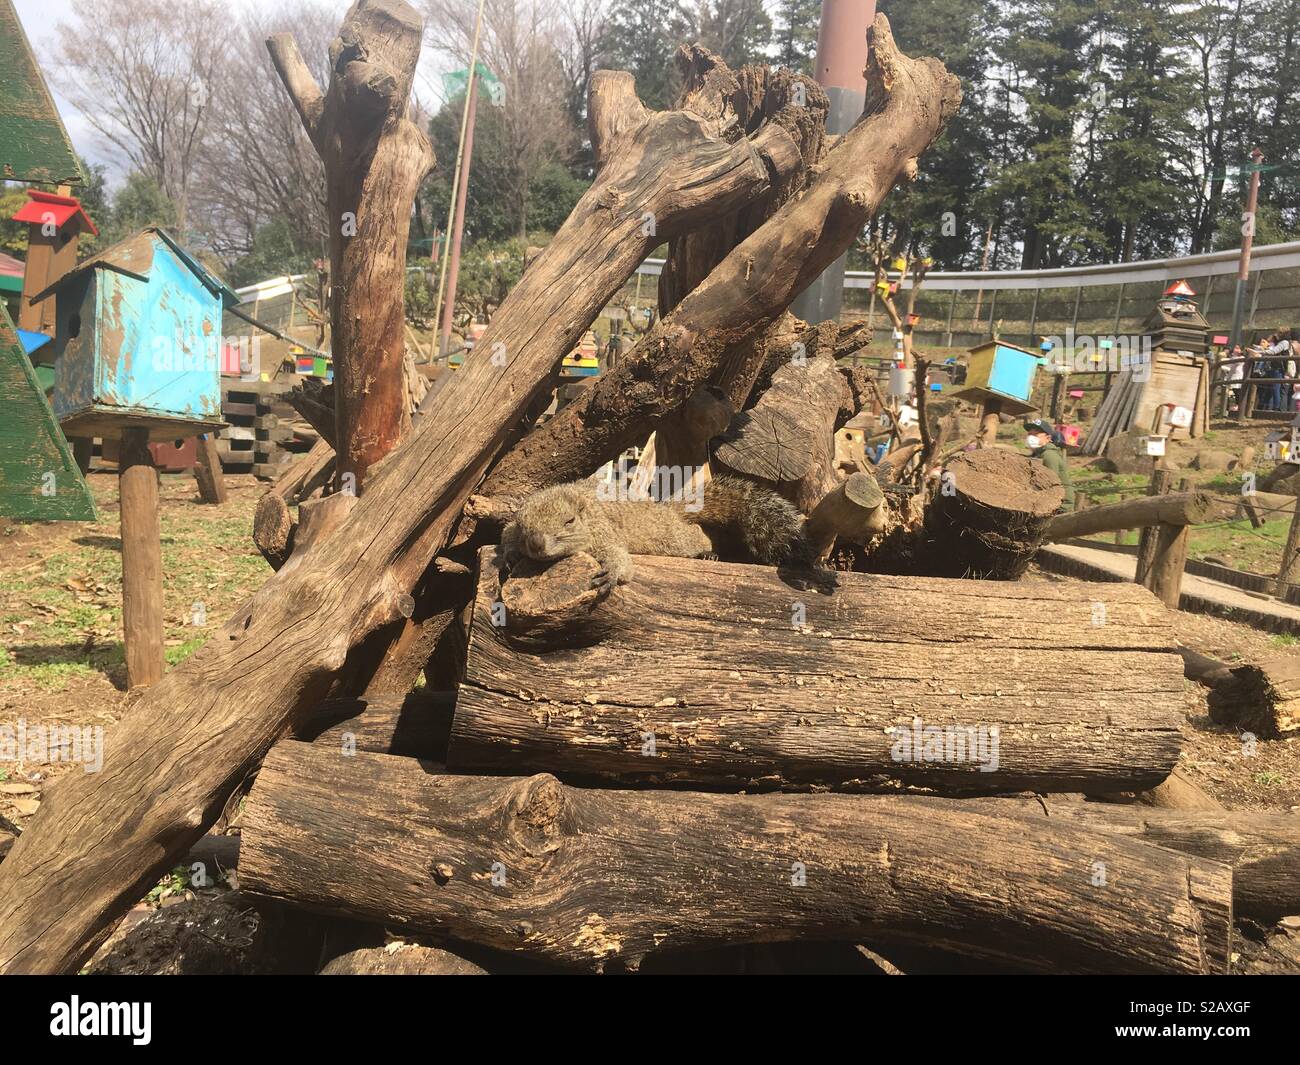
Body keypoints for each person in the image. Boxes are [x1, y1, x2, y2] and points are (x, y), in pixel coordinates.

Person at [1023, 418, 1074, 512]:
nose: (1031, 437)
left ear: (1048, 438)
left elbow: (1050, 483)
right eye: (1029, 434)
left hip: (1061, 506)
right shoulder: (1038, 454)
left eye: (1035, 434)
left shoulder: (1048, 455)